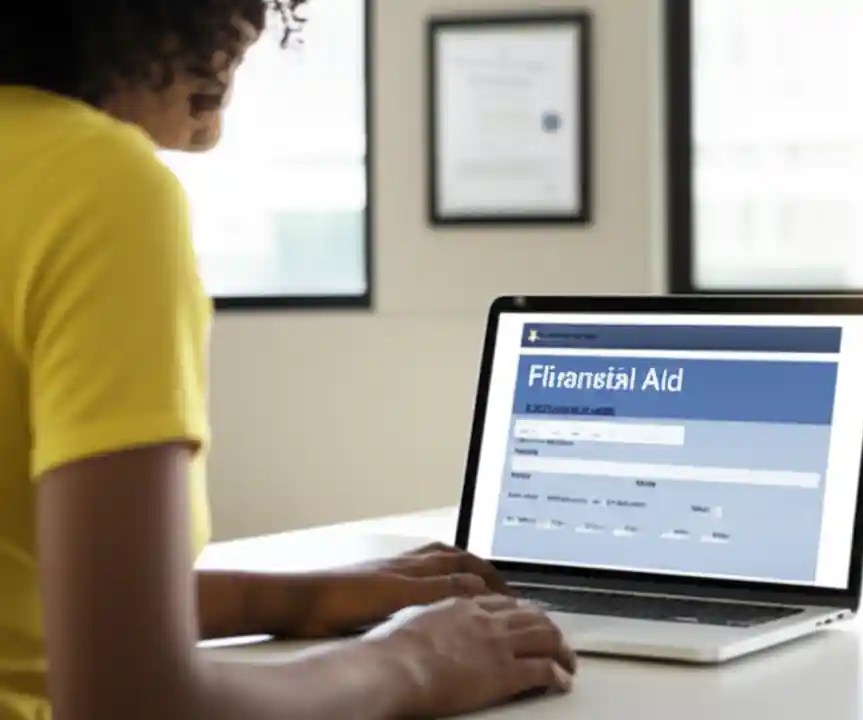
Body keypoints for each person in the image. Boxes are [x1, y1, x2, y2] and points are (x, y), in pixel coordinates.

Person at [0, 1, 575, 718]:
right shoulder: (94, 187)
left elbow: (30, 594)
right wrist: (416, 662)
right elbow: (132, 699)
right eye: (211, 85)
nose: (207, 136)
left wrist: (294, 598)